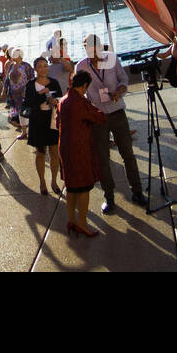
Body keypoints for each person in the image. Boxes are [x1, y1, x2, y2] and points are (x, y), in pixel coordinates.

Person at [76, 36, 146, 213]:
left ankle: (137, 191)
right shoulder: (81, 66)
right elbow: (79, 92)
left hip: (117, 113)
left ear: (101, 46)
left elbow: (124, 79)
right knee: (102, 159)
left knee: (127, 153)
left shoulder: (112, 59)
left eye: (95, 48)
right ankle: (109, 197)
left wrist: (120, 91)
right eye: (88, 49)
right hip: (98, 117)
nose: (92, 52)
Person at [58, 71, 105, 238]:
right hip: (79, 149)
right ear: (84, 85)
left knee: (71, 187)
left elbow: (58, 123)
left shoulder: (62, 101)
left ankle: (72, 220)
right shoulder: (80, 102)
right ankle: (83, 224)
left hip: (64, 148)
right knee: (84, 187)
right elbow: (99, 117)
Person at [24, 57, 63, 195]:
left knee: (54, 152)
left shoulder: (54, 82)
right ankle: (42, 181)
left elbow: (61, 99)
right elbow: (28, 103)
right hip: (37, 121)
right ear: (35, 69)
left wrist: (55, 101)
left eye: (45, 66)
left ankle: (54, 181)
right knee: (40, 152)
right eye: (40, 66)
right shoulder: (30, 85)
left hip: (51, 120)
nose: (43, 68)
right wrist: (42, 95)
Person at [4, 49, 34, 137]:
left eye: (15, 55)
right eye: (13, 55)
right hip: (14, 95)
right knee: (19, 113)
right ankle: (24, 132)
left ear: (20, 56)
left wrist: (30, 90)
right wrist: (4, 90)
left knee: (27, 112)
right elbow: (7, 79)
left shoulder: (26, 66)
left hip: (24, 94)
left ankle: (29, 131)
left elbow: (31, 78)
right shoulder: (11, 66)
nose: (13, 56)